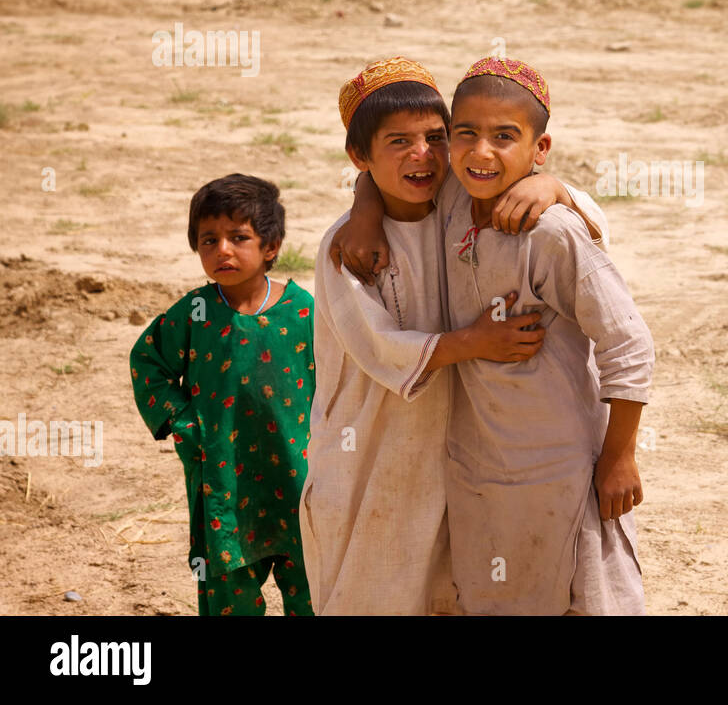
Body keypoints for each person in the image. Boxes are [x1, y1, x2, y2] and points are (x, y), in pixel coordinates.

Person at [305, 56, 609, 614]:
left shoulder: (457, 200)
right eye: (397, 142)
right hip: (373, 441)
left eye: (436, 138)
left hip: (457, 444)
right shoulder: (348, 247)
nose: (422, 155)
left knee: (450, 580)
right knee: (372, 579)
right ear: (360, 155)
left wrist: (553, 186)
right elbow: (375, 345)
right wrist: (473, 343)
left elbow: (585, 224)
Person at [442, 57, 654, 615]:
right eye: (465, 133)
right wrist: (366, 210)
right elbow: (379, 167)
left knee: (586, 597)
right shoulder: (449, 206)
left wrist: (619, 458)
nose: (481, 152)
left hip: (566, 468)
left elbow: (628, 344)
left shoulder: (551, 231)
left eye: (504, 136)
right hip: (483, 469)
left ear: (541, 148)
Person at [129, 174, 314, 616]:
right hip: (223, 484)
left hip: (300, 482)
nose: (222, 250)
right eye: (208, 240)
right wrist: (181, 422)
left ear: (271, 246)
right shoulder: (195, 313)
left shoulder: (303, 312)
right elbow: (148, 363)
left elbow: (341, 384)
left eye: (239, 237)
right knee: (228, 598)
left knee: (315, 593)